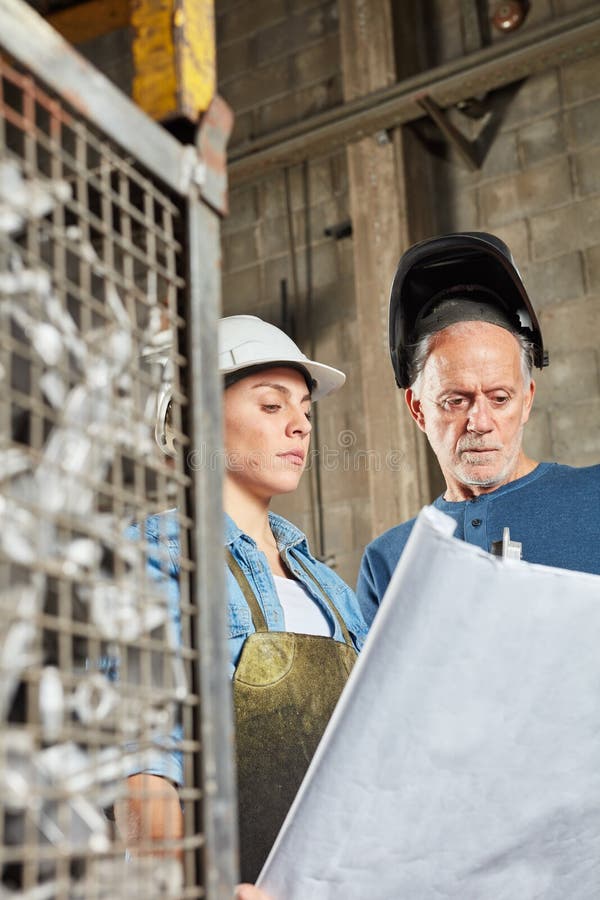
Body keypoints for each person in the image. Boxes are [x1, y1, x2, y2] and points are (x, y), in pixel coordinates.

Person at [116, 315, 368, 888]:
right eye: (272, 406)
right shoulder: (154, 557)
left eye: (305, 409)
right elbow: (144, 768)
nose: (301, 426)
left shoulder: (330, 588)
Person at [357, 231, 600, 624]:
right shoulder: (389, 561)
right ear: (418, 409)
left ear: (527, 401)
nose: (481, 423)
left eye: (500, 398)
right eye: (456, 401)